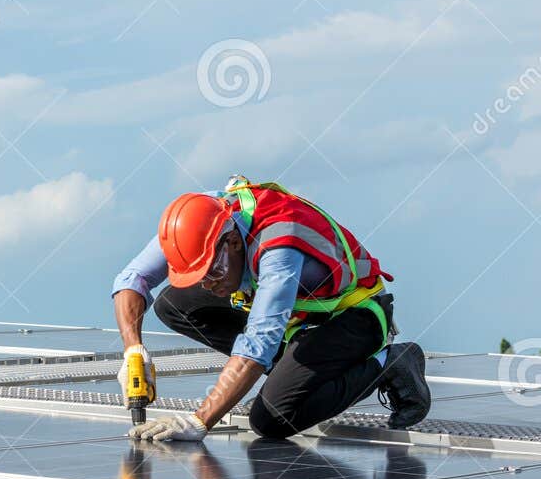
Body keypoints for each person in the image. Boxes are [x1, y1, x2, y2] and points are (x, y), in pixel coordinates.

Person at [111, 175, 429, 442]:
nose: (207, 284)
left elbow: (258, 344)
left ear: (233, 243)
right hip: (298, 319)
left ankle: (391, 363)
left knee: (273, 420)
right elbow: (132, 278)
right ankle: (290, 374)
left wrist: (199, 421)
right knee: (172, 304)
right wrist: (133, 351)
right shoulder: (203, 216)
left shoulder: (280, 246)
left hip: (351, 316)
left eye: (212, 272)